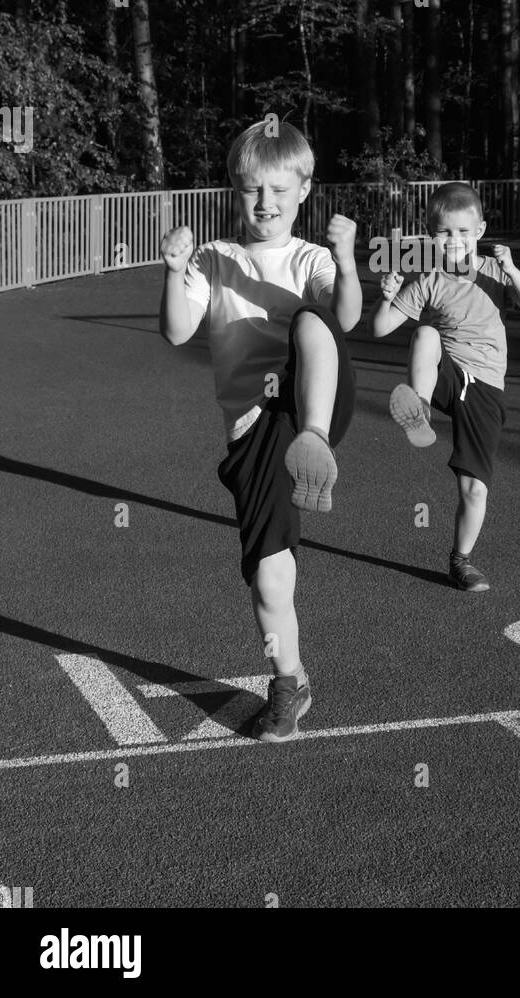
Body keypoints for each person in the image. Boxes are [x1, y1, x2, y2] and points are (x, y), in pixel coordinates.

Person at [158, 119, 361, 742]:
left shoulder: (311, 257)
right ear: (234, 193)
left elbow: (345, 317)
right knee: (271, 578)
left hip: (310, 404)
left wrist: (348, 261)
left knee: (308, 319)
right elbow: (177, 332)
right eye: (251, 191)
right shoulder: (215, 260)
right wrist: (174, 269)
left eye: (278, 189)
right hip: (254, 433)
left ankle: (317, 441)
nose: (265, 203)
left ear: (304, 190)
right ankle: (289, 682)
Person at [369, 182, 520, 592]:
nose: (453, 241)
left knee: (474, 490)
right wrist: (387, 296)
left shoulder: (493, 273)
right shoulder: (428, 278)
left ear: (480, 231)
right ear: (430, 233)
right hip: (445, 377)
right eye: (444, 232)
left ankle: (461, 560)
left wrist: (513, 270)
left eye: (463, 232)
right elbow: (381, 328)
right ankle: (417, 409)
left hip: (485, 389)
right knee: (427, 334)